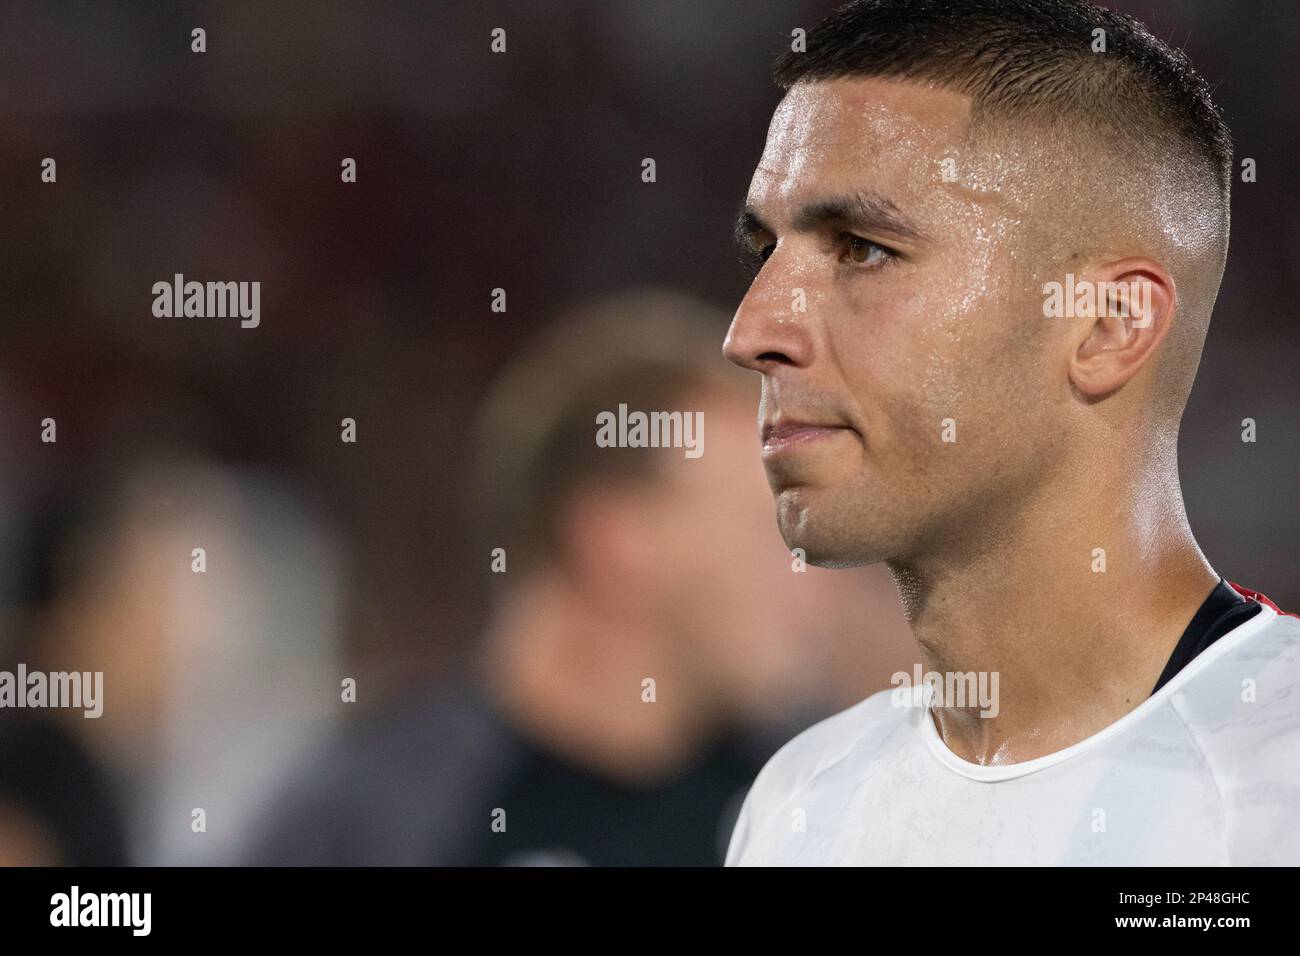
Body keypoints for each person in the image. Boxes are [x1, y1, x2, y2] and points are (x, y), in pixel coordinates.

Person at [722, 0, 1298, 865]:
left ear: (1107, 325)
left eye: (862, 248)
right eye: (764, 251)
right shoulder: (800, 800)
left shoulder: (1278, 783)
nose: (750, 330)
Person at [248, 288, 913, 865]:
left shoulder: (807, 806)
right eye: (768, 534)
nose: (823, 584)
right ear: (618, 543)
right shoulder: (382, 824)